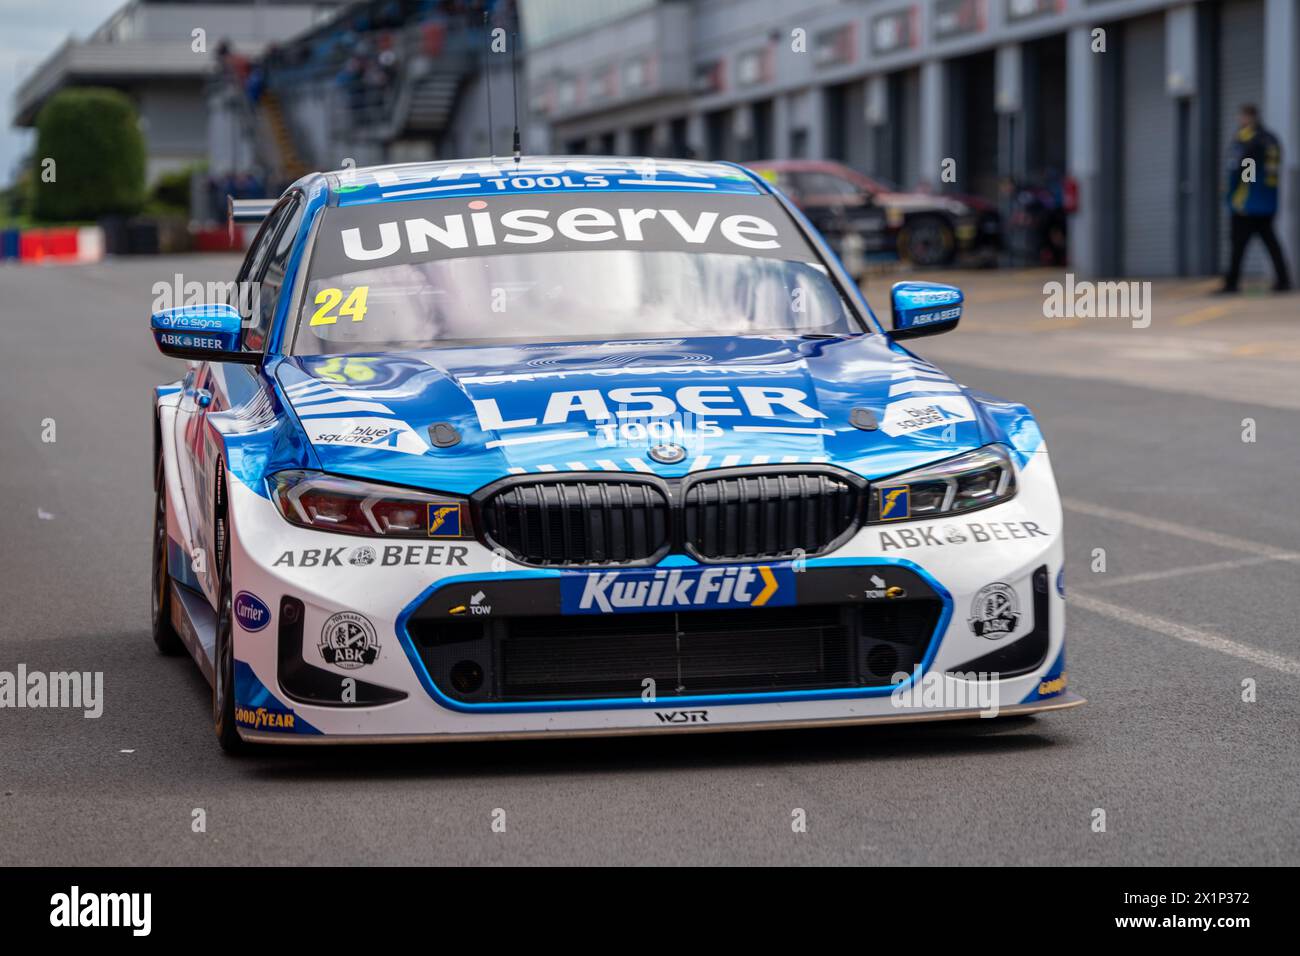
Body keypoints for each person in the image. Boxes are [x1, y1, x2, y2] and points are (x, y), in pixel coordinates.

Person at [1220, 104, 1291, 293]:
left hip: (1248, 205)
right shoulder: (1271, 139)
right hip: (1267, 203)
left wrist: (1236, 198)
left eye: (1241, 117)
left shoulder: (1249, 140)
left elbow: (1246, 173)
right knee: (1271, 243)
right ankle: (1284, 281)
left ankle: (1231, 283)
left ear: (1247, 117)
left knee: (1238, 246)